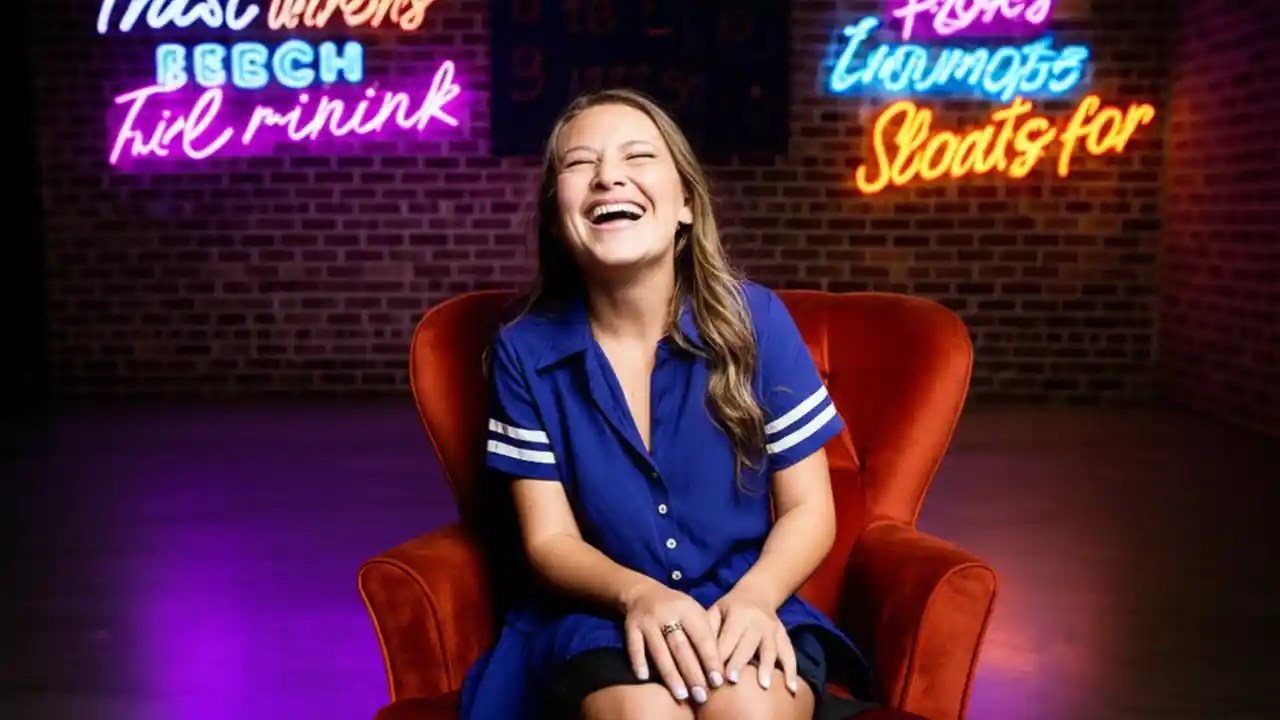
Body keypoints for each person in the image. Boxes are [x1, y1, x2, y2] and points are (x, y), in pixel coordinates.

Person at [459, 88, 878, 720]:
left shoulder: (757, 321)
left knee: (750, 709)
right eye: (580, 163)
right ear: (555, 216)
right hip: (601, 612)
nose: (608, 176)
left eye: (637, 156)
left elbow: (810, 509)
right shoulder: (523, 351)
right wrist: (638, 596)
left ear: (685, 203)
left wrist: (758, 597)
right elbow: (548, 540)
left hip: (745, 598)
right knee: (645, 714)